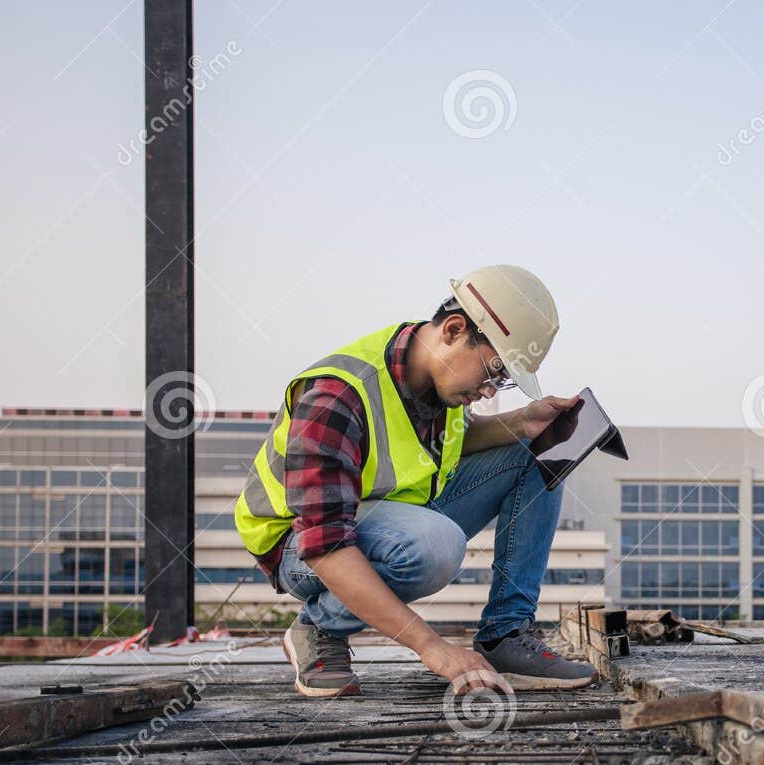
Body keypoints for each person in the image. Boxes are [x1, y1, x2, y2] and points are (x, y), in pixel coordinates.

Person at [234, 264, 599, 698]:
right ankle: (319, 627)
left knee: (535, 457)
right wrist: (433, 648)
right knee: (434, 546)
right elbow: (324, 544)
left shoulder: (435, 376)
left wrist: (522, 423)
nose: (489, 390)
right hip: (299, 547)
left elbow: (449, 444)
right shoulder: (337, 398)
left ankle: (505, 636)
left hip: (390, 519)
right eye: (494, 371)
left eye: (501, 380)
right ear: (454, 330)